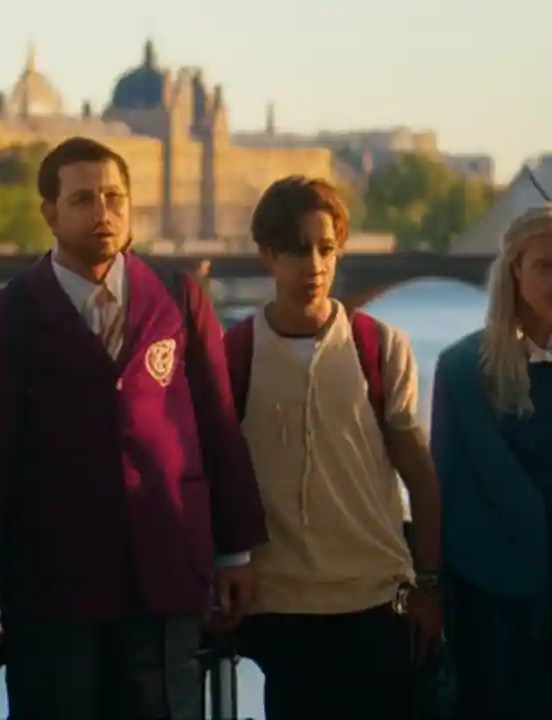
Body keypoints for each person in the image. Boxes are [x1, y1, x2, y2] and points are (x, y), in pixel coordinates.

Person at [0, 137, 267, 720]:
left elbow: (216, 428)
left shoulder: (178, 297)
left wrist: (234, 553)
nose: (102, 213)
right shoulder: (6, 320)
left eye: (114, 197)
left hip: (166, 572)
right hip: (54, 583)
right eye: (82, 200)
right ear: (49, 212)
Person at [228, 176, 444, 720]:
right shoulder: (235, 354)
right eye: (299, 250)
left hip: (374, 599)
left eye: (327, 249)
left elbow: (418, 472)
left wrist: (429, 584)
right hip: (281, 605)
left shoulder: (379, 347)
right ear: (268, 256)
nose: (316, 266)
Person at [432, 204, 552, 719]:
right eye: (546, 265)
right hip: (493, 612)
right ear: (515, 271)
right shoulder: (462, 371)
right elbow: (445, 488)